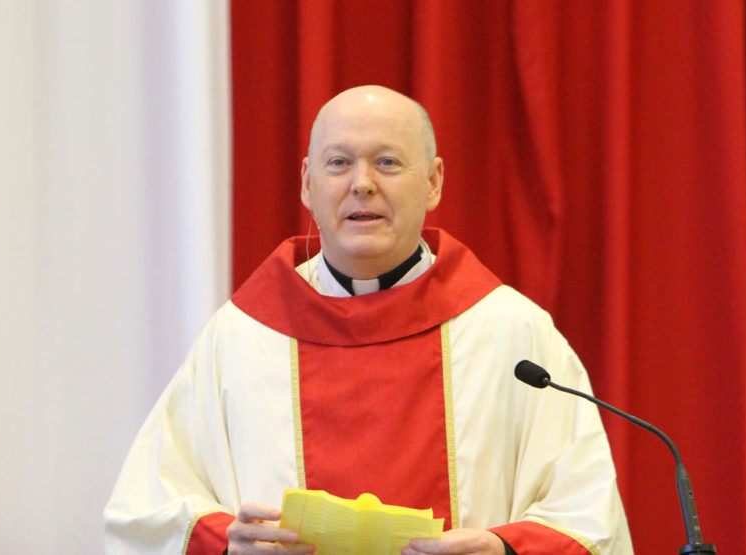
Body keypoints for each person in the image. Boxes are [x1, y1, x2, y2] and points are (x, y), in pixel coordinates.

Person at [105, 85, 632, 554]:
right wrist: (228, 544)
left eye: (387, 162)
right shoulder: (241, 336)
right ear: (307, 184)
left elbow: (588, 519)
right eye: (339, 163)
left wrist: (504, 549)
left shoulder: (511, 334)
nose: (362, 184)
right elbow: (146, 513)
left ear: (433, 182)